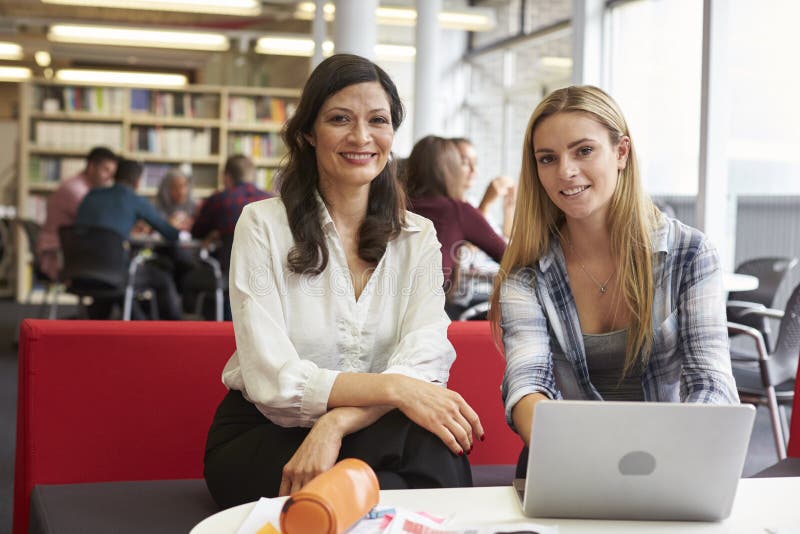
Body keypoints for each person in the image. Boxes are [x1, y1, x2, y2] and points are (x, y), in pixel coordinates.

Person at [203, 54, 483, 508]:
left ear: (392, 133)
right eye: (340, 119)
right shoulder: (262, 225)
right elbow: (276, 379)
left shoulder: (417, 235)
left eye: (378, 120)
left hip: (369, 427)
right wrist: (396, 389)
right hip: (266, 433)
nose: (361, 137)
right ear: (309, 133)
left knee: (438, 449)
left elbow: (425, 356)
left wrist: (336, 423)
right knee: (421, 473)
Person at [489, 85, 738, 474]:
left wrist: (671, 460)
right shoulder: (526, 275)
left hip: (673, 458)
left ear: (621, 152)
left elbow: (712, 385)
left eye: (583, 151)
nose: (566, 171)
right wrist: (592, 461)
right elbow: (527, 385)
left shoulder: (689, 254)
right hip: (568, 461)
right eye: (548, 158)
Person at [404, 135, 506, 317]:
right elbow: (509, 256)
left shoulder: (392, 205)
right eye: (464, 163)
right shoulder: (457, 210)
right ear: (453, 170)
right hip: (429, 315)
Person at [75, 159, 182, 320]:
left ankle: (104, 327)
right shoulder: (133, 199)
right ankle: (174, 333)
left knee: (114, 286)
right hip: (114, 272)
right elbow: (171, 234)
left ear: (114, 175)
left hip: (79, 270)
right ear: (137, 182)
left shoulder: (91, 195)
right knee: (162, 279)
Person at [36, 146, 117, 281]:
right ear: (91, 167)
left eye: (112, 173)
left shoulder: (86, 189)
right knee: (115, 264)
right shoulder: (76, 190)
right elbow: (99, 221)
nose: (109, 178)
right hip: (60, 255)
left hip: (71, 251)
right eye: (106, 170)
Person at [452, 137, 516, 238]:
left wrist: (508, 208)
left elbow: (504, 241)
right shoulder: (448, 209)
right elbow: (466, 249)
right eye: (464, 162)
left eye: (475, 162)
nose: (474, 169)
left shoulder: (472, 202)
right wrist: (486, 203)